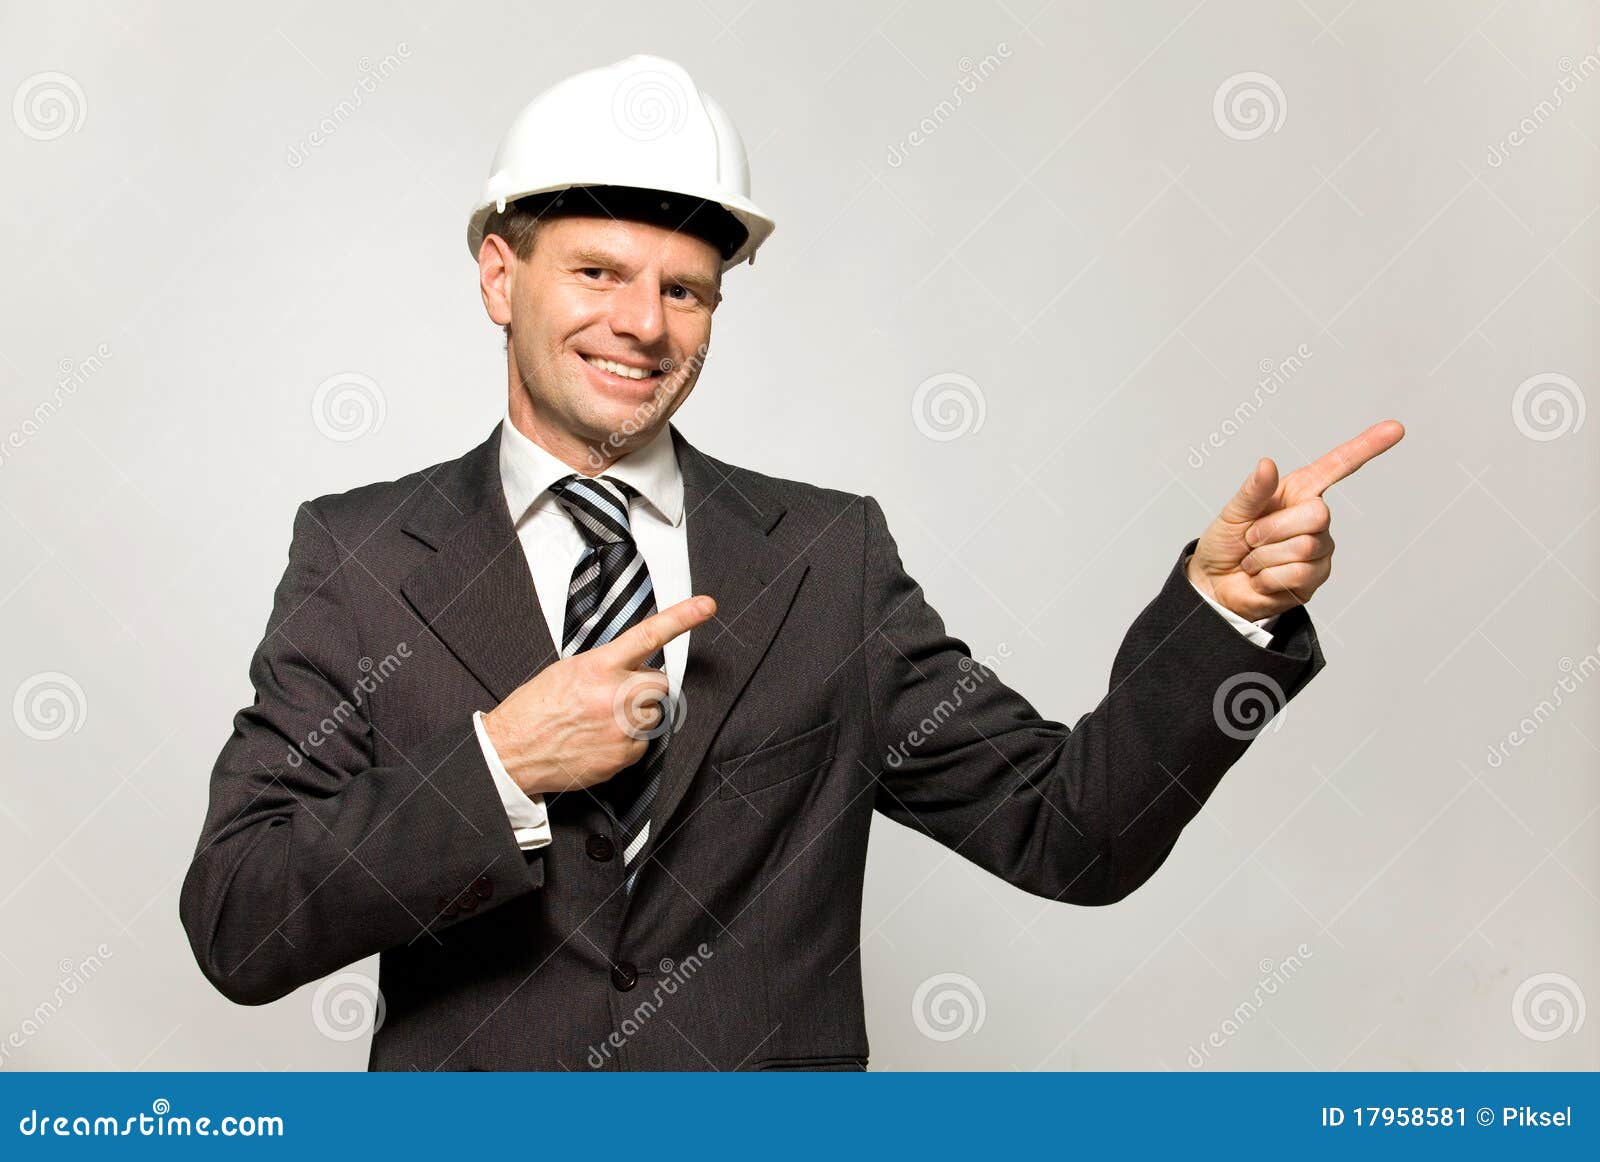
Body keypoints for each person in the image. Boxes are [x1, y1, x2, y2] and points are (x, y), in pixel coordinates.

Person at [179, 54, 1403, 1071]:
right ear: (501, 276)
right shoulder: (360, 556)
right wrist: (501, 763)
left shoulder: (826, 559)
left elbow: (1069, 835)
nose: (642, 324)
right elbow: (239, 918)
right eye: (597, 272)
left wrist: (1220, 615)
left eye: (685, 290)